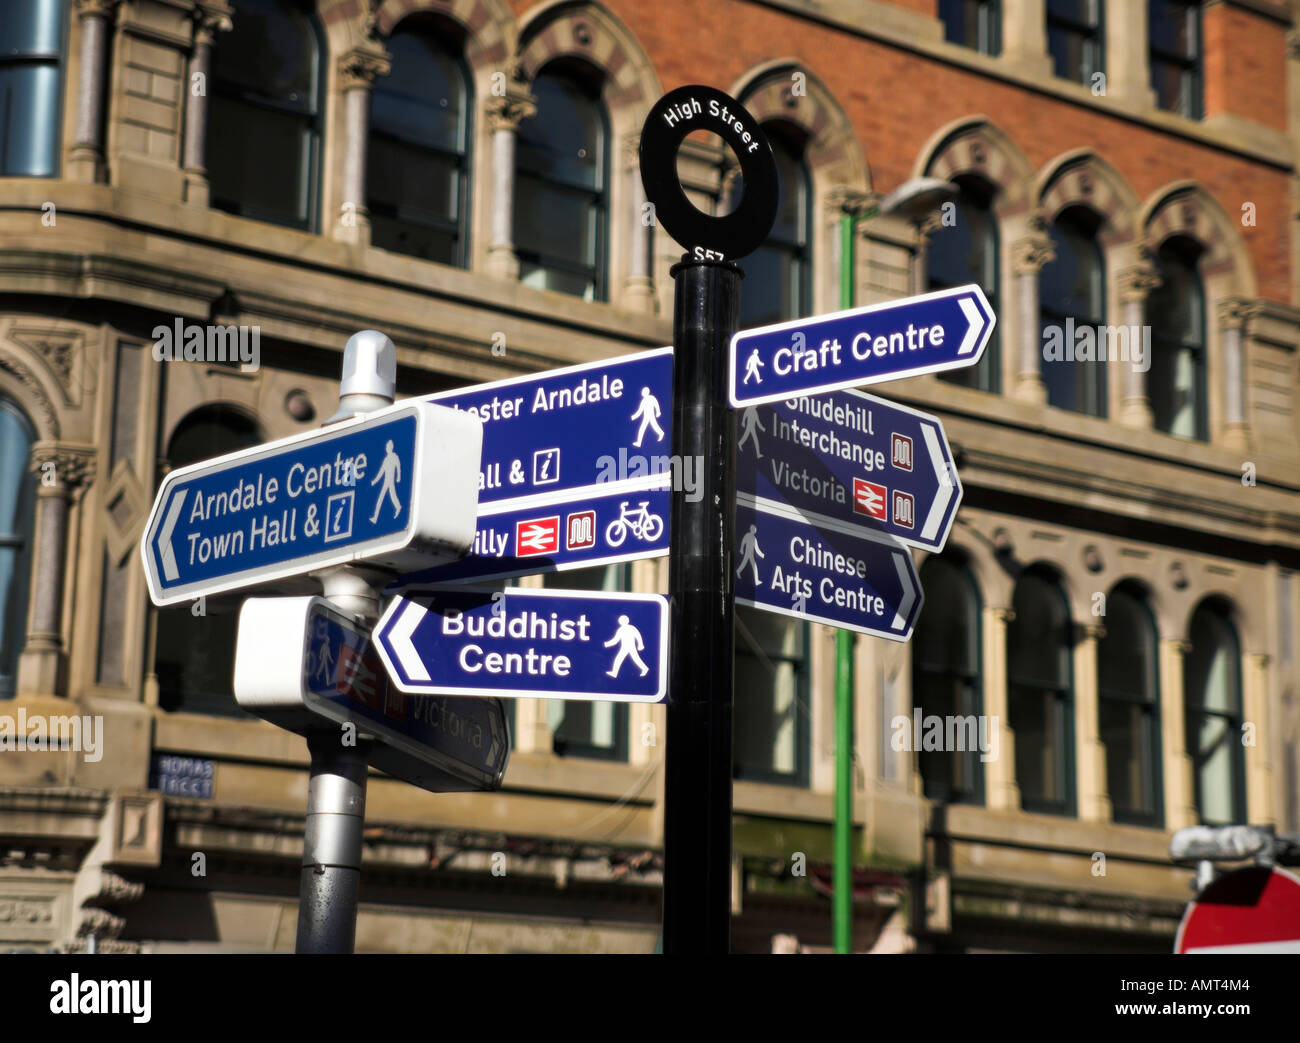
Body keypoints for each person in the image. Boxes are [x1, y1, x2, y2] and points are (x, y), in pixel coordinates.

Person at [369, 439, 402, 523]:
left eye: (388, 446)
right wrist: (374, 481)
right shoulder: (386, 459)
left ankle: (398, 507)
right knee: (382, 498)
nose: (387, 448)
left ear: (391, 447)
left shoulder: (395, 457)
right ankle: (375, 517)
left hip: (390, 481)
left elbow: (398, 467)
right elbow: (381, 471)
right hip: (386, 481)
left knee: (392, 495)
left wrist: (398, 477)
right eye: (387, 447)